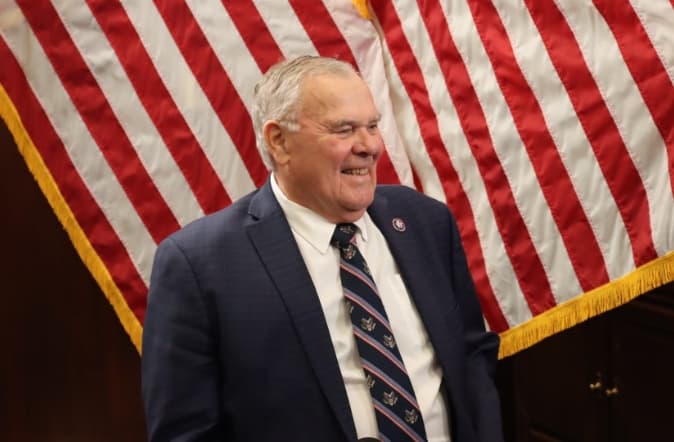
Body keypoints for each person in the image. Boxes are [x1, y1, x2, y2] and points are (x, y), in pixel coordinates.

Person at [142, 55, 503, 442]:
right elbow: (186, 434)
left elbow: (470, 355)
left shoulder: (425, 223)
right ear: (279, 141)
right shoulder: (198, 264)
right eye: (344, 129)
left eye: (372, 126)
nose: (369, 147)